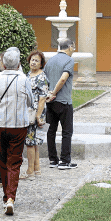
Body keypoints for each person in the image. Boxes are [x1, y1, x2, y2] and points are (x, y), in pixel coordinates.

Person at [0, 47, 34, 215]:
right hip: (19, 124)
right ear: (19, 63)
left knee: (2, 159)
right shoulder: (23, 78)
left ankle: (7, 196)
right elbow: (30, 101)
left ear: (3, 64)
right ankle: (10, 197)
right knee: (15, 160)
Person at [44, 38, 77, 170]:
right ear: (69, 47)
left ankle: (53, 160)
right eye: (73, 48)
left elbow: (44, 79)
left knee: (51, 131)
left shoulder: (50, 60)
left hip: (51, 103)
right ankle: (64, 161)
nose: (74, 50)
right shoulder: (69, 60)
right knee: (67, 132)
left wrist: (49, 93)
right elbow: (63, 78)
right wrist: (54, 92)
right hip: (63, 101)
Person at [23, 50, 50, 179]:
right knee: (34, 142)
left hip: (35, 113)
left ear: (41, 64)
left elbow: (43, 98)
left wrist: (38, 116)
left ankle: (30, 171)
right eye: (32, 60)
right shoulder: (28, 74)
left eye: (36, 60)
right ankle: (37, 169)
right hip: (29, 111)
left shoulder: (41, 77)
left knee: (30, 142)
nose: (33, 62)